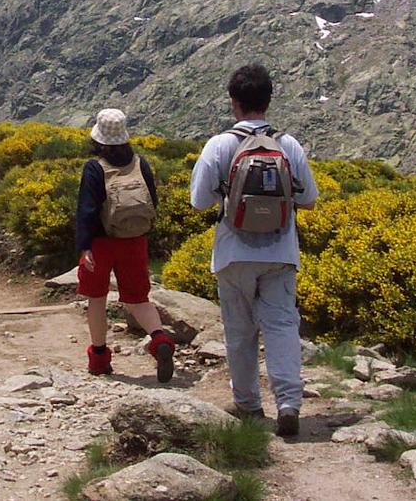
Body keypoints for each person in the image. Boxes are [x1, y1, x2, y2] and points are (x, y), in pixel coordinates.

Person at [189, 63, 318, 437]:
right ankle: (289, 403)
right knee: (281, 326)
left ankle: (248, 405)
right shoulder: (287, 144)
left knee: (239, 331)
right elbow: (308, 200)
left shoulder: (220, 144)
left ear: (234, 103)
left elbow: (198, 202)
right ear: (268, 100)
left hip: (233, 252)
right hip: (280, 253)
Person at [76, 108, 176, 383]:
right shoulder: (140, 163)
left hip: (100, 243)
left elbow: (86, 210)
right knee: (138, 298)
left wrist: (84, 247)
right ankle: (159, 340)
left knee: (96, 298)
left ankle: (99, 358)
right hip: (134, 240)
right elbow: (152, 201)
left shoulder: (95, 168)